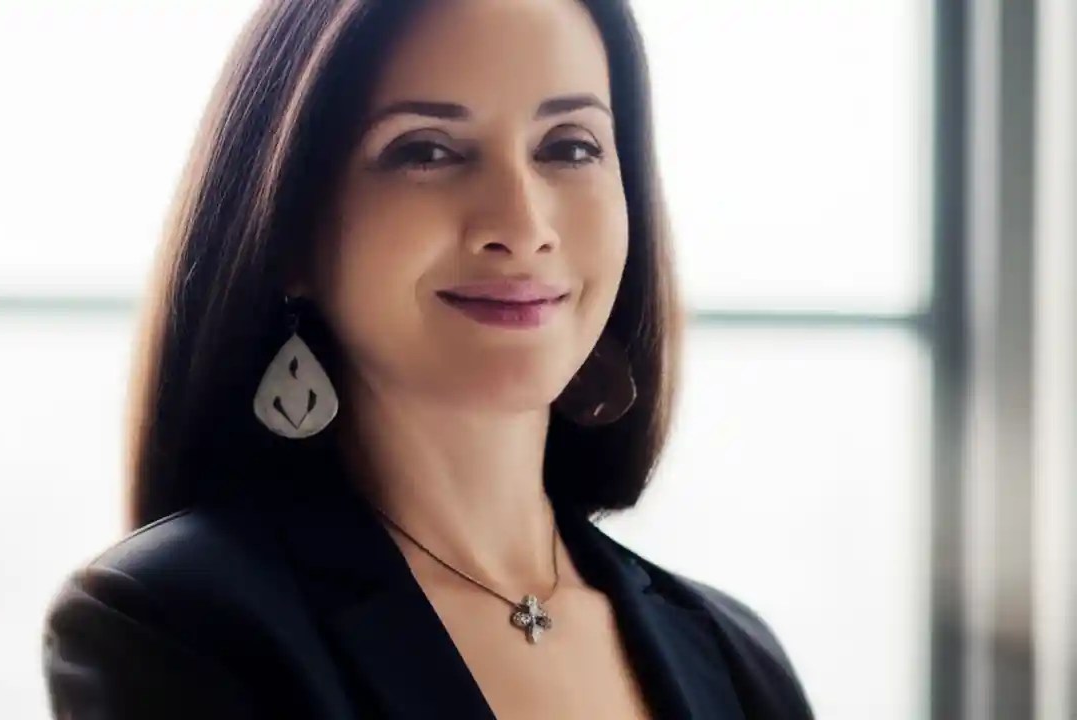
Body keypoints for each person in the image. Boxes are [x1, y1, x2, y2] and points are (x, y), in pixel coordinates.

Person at [42, 0, 814, 717]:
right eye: (428, 151)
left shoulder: (735, 659)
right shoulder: (171, 623)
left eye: (570, 147)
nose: (522, 225)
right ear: (290, 231)